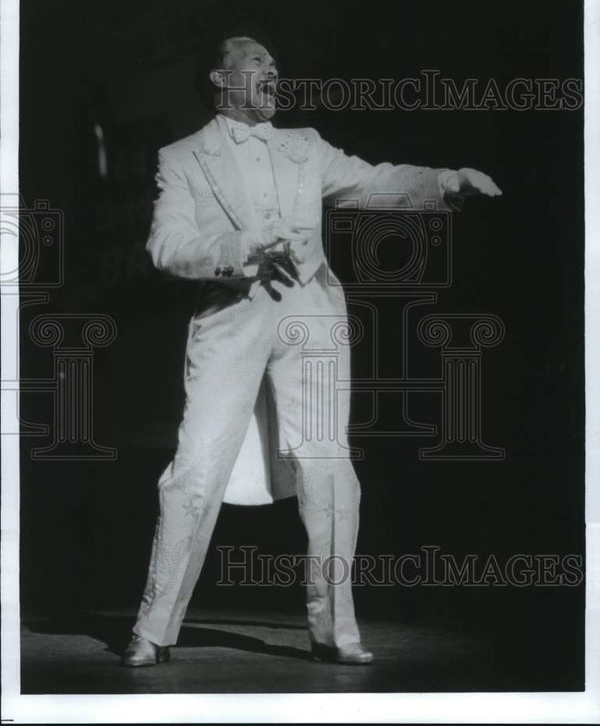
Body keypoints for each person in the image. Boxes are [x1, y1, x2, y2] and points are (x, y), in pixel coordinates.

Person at [122, 35, 501, 667]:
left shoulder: (305, 146)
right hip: (233, 314)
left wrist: (446, 182)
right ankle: (152, 629)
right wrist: (242, 249)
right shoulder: (184, 156)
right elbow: (167, 245)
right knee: (196, 468)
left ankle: (335, 632)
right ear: (221, 79)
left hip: (312, 318)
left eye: (274, 62)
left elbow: (373, 183)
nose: (273, 68)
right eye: (256, 62)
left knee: (329, 469)